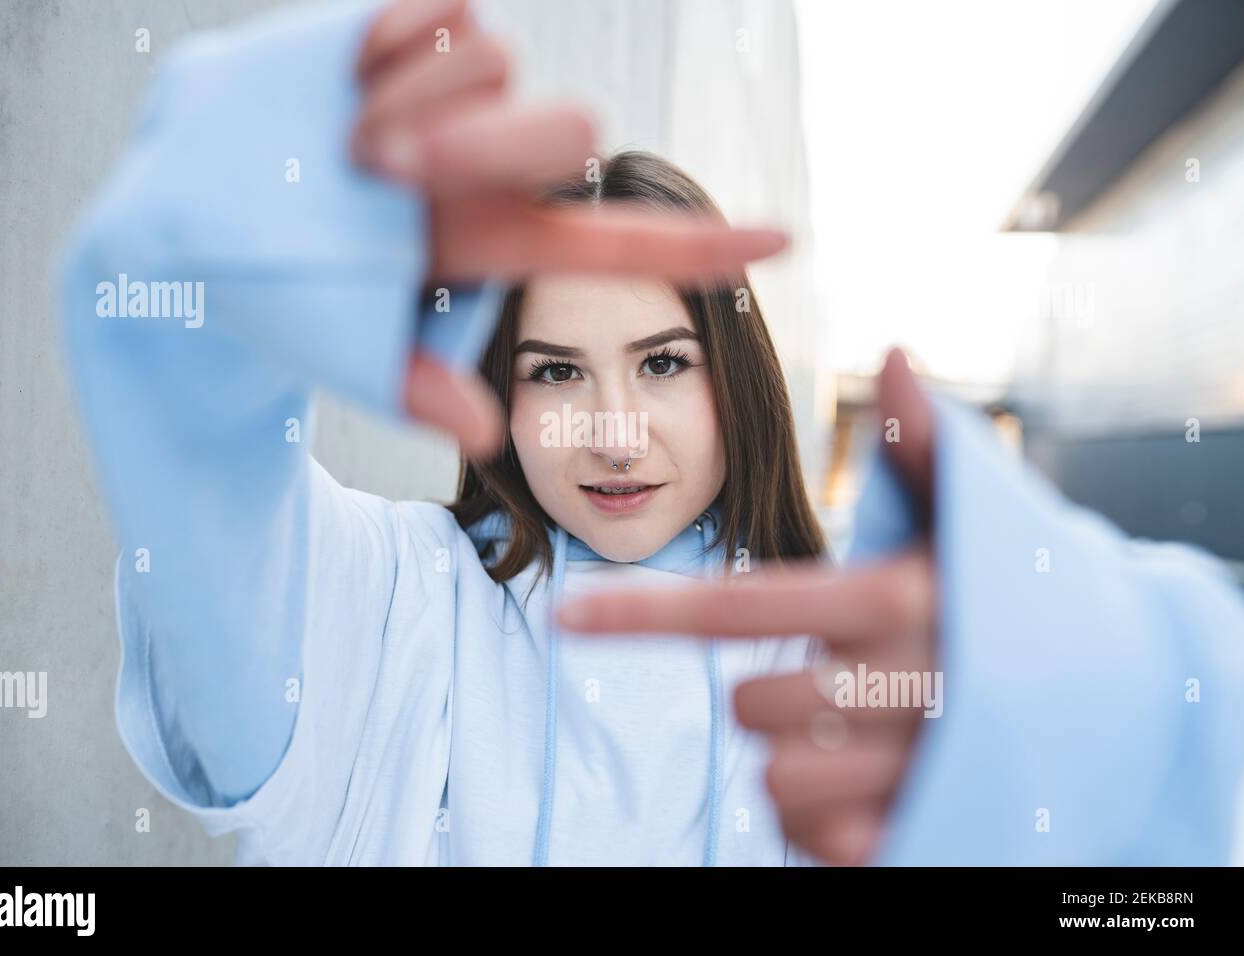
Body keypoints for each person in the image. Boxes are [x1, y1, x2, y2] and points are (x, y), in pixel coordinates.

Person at [60, 0, 1244, 866]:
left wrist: (1164, 727)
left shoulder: (856, 673)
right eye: (556, 369)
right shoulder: (394, 601)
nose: (612, 430)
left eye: (663, 364)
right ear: (500, 402)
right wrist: (197, 329)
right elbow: (214, 528)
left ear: (736, 381)